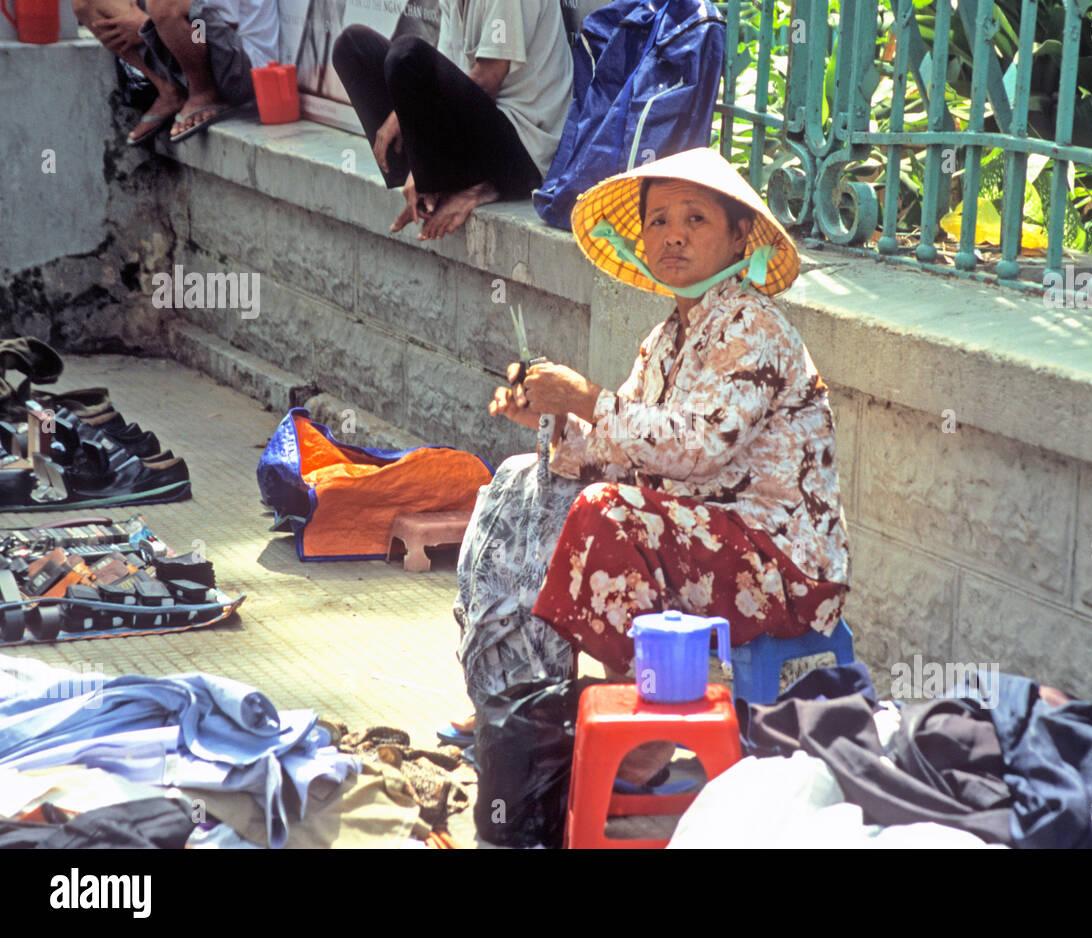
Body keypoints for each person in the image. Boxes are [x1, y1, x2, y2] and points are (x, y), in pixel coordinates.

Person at [453, 148, 851, 780]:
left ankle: (647, 734)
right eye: (659, 220)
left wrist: (586, 396)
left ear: (739, 235)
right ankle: (515, 691)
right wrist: (549, 418)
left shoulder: (755, 327)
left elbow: (697, 447)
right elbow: (620, 446)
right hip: (705, 539)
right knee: (517, 482)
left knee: (609, 518)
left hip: (781, 563)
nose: (673, 236)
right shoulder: (666, 339)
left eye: (695, 220)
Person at [331, 0, 573, 241]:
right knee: (352, 46)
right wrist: (411, 129)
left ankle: (454, 181)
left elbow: (490, 77)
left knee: (406, 56)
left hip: (522, 153)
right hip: (479, 136)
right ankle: (433, 183)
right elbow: (444, 70)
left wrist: (420, 148)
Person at [73, 0, 279, 145]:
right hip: (195, 52)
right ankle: (169, 91)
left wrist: (143, 24)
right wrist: (142, 21)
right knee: (89, 2)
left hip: (244, 68)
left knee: (164, 4)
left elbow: (219, 21)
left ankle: (204, 92)